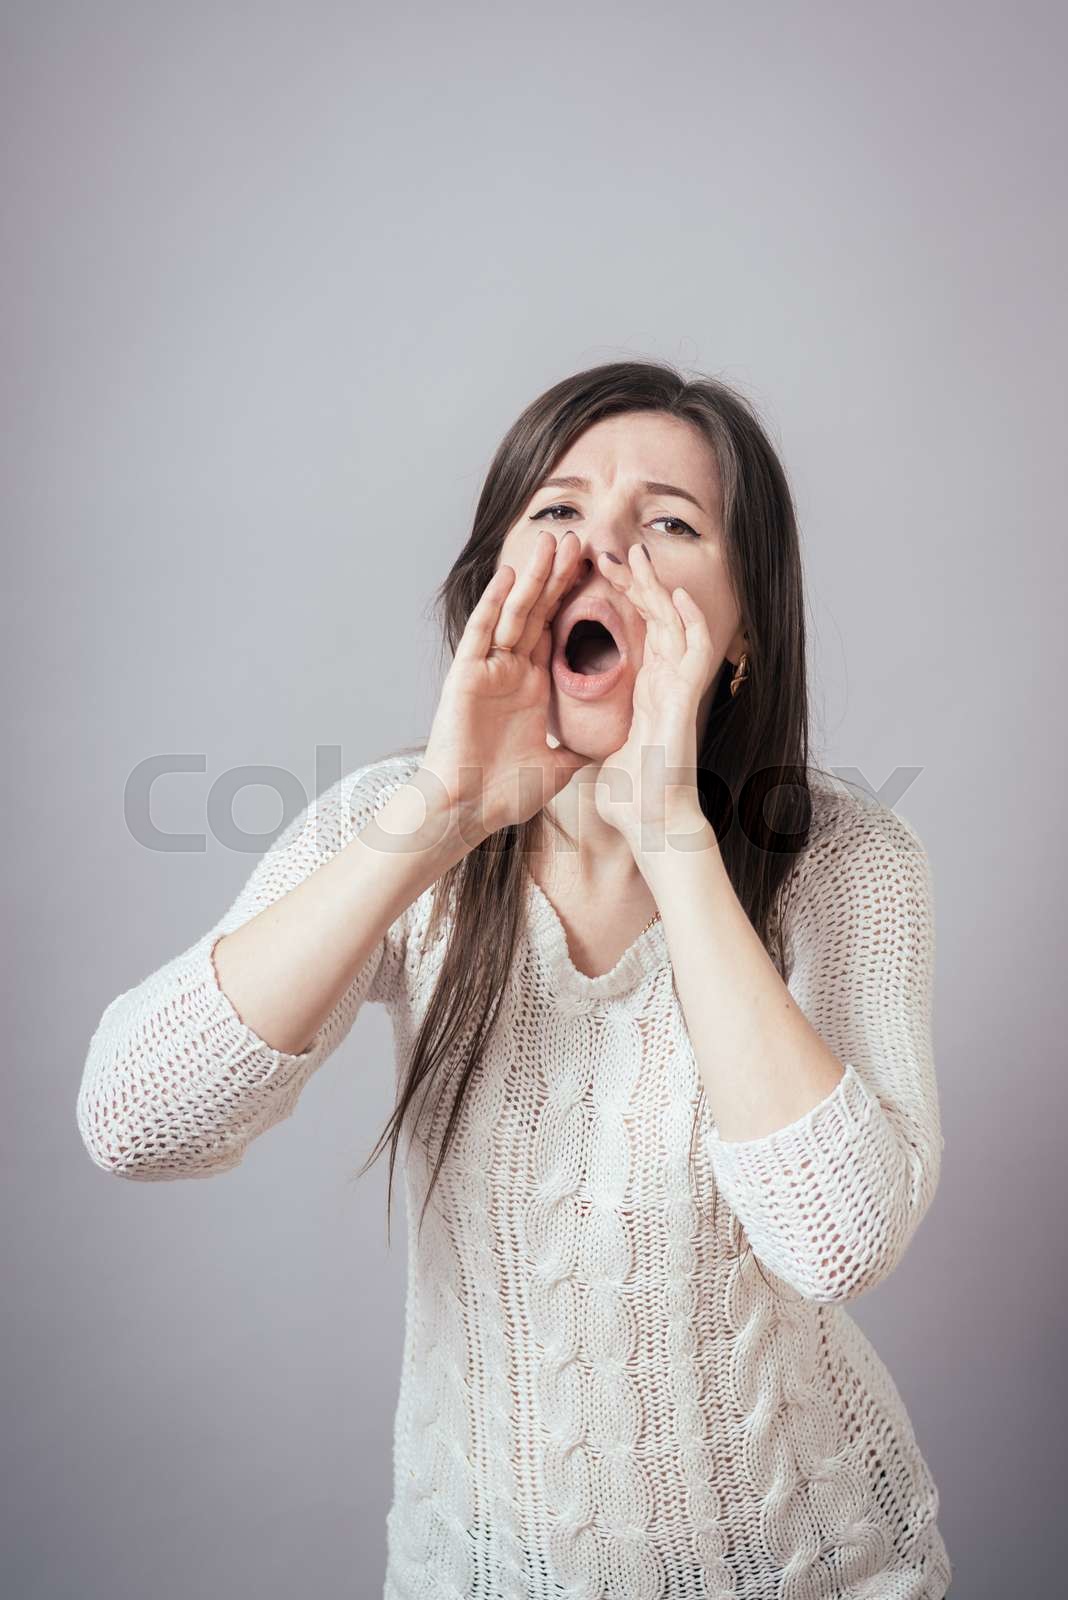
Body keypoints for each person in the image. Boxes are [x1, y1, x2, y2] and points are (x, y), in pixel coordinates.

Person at [77, 361, 952, 1599]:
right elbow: (133, 1121)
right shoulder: (397, 831)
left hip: (809, 1566)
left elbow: (839, 1241)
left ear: (745, 630)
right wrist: (437, 814)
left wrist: (674, 837)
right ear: (496, 580)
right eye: (558, 512)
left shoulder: (850, 863)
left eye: (669, 524)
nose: (602, 551)